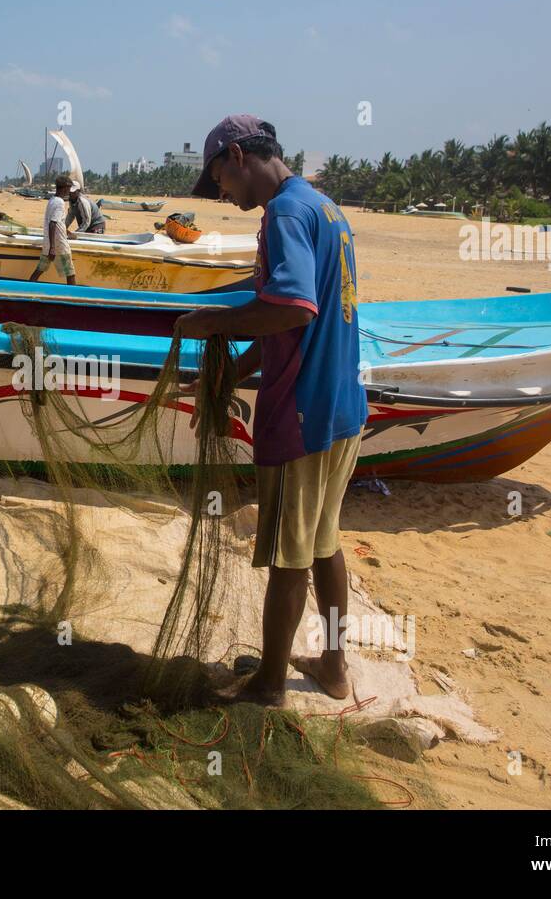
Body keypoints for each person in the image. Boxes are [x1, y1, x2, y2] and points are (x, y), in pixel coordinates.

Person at [175, 115, 366, 705]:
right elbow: (292, 313)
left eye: (221, 181)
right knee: (324, 542)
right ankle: (333, 667)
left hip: (301, 415)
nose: (225, 196)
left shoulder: (283, 213)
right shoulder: (324, 207)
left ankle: (268, 685)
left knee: (289, 555)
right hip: (343, 409)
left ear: (237, 155)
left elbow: (292, 308)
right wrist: (232, 371)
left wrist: (212, 324)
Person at [29, 174, 77, 285]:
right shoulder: (60, 202)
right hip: (59, 245)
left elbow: (56, 222)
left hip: (48, 243)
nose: (69, 192)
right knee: (70, 273)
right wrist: (53, 248)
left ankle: (28, 289)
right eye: (69, 189)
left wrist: (66, 232)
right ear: (64, 188)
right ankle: (72, 297)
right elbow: (52, 224)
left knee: (39, 270)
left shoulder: (52, 200)